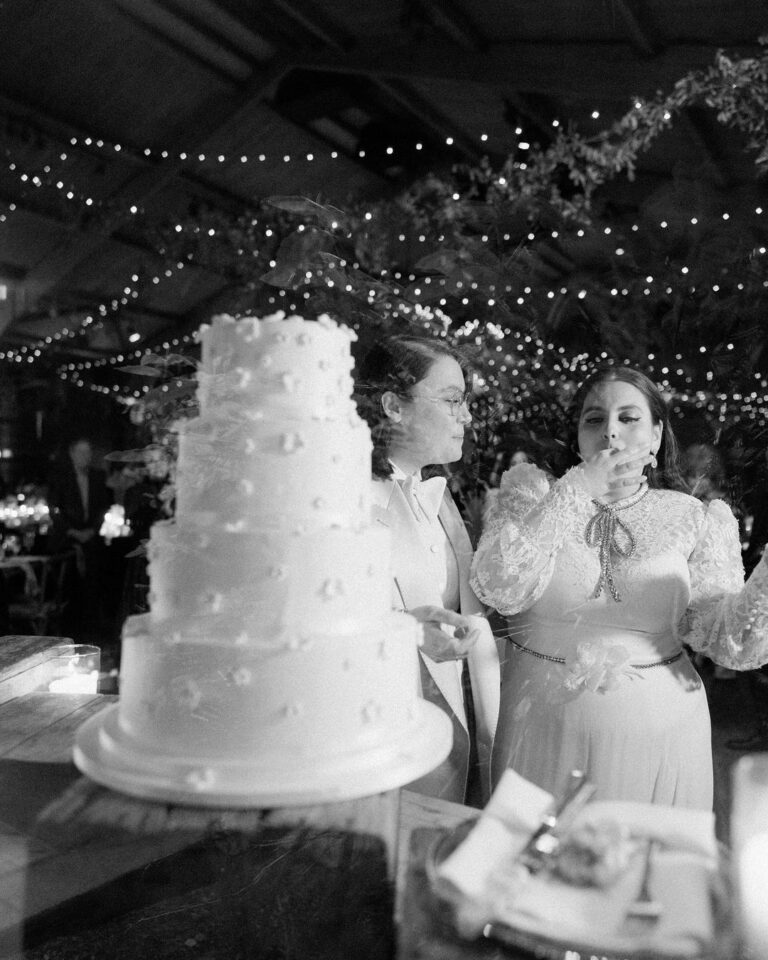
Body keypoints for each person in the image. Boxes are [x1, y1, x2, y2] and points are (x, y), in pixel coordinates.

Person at [470, 363, 768, 811]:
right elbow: (499, 586)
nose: (610, 431)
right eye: (594, 418)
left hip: (661, 730)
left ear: (655, 435)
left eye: (628, 418)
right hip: (540, 725)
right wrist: (577, 488)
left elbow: (728, 643)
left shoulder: (694, 516)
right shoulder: (530, 493)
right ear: (577, 435)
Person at [355, 335, 500, 806]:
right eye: (452, 400)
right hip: (379, 729)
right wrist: (407, 633)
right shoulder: (346, 497)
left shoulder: (437, 498)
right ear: (394, 406)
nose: (467, 416)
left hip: (451, 721)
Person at [47, 436, 113, 642]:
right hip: (68, 539)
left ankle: (92, 632)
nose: (86, 457)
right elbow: (54, 509)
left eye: (88, 453)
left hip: (93, 538)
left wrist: (93, 530)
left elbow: (105, 507)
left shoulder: (98, 476)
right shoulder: (60, 477)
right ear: (72, 453)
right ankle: (70, 632)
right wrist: (71, 531)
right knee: (70, 586)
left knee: (93, 587)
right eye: (81, 452)